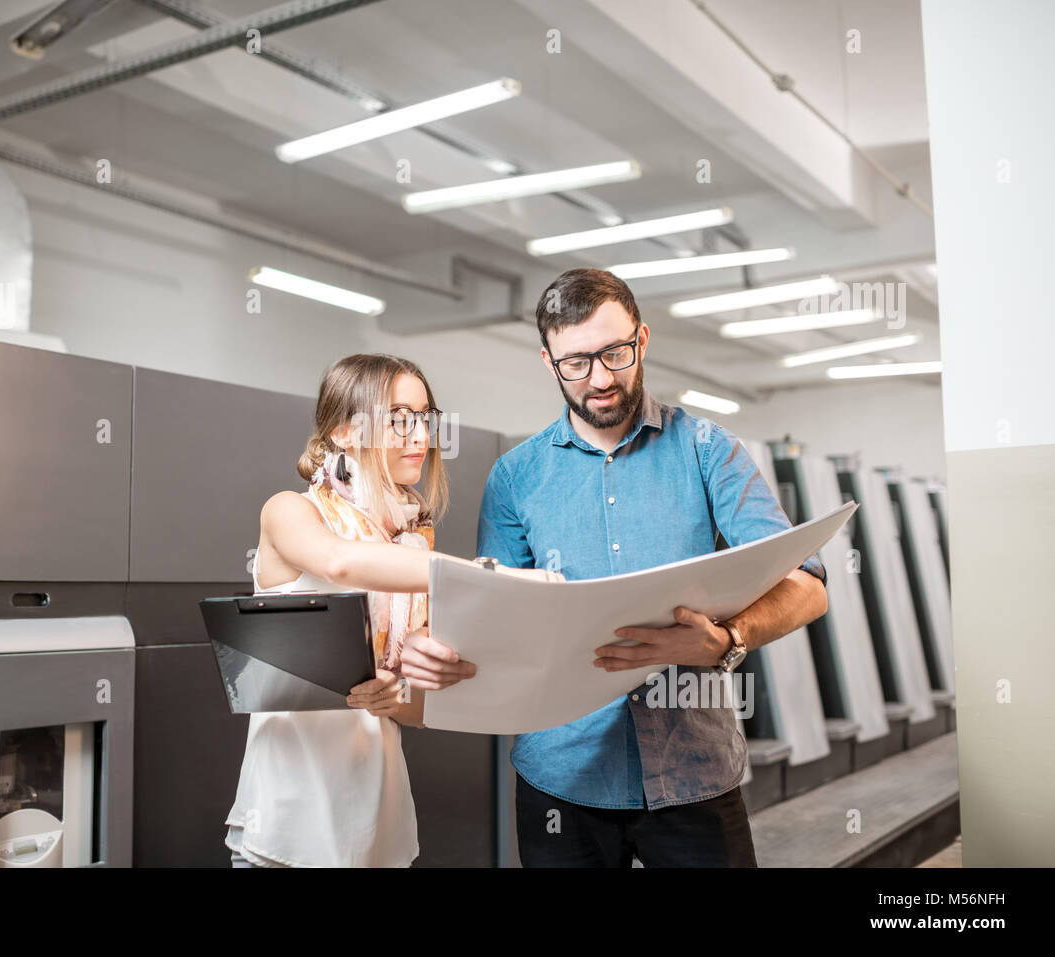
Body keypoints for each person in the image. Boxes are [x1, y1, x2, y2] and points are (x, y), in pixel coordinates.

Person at [471, 267, 830, 868]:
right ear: (548, 360)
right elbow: (494, 617)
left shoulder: (708, 449)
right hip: (563, 775)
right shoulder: (515, 477)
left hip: (694, 773)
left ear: (642, 338)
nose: (601, 379)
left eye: (614, 352)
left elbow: (808, 585)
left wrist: (727, 640)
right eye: (576, 363)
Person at [223, 353, 559, 868]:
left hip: (376, 823)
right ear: (342, 431)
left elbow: (416, 706)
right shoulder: (290, 511)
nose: (419, 434)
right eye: (398, 418)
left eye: (425, 417)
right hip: (288, 823)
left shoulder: (412, 542)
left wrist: (403, 687)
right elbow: (340, 564)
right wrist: (501, 576)